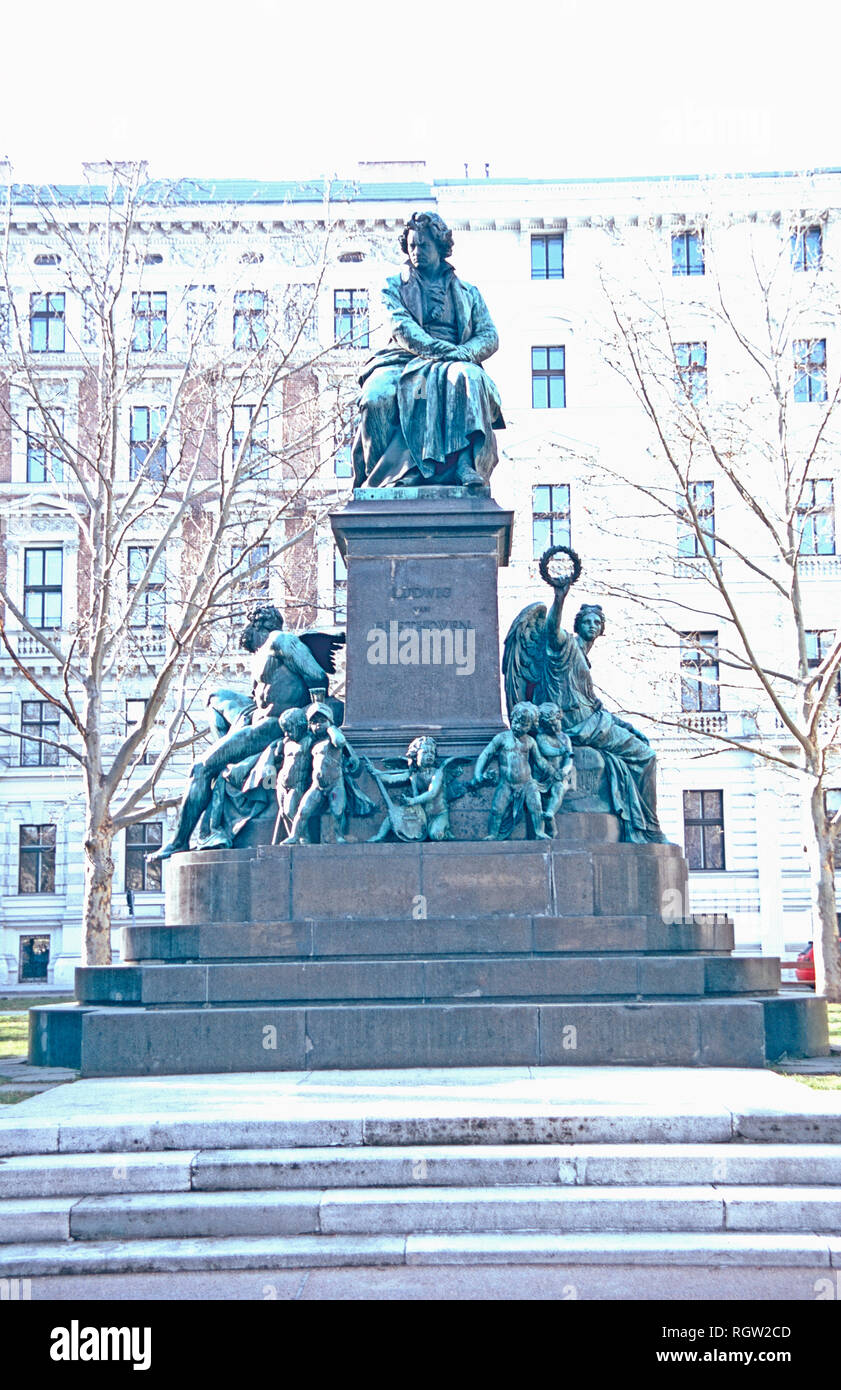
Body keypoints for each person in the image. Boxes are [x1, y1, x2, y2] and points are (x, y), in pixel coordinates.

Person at [151, 606, 344, 859]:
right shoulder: (260, 653)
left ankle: (179, 841)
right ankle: (229, 749)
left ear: (256, 625)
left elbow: (317, 676)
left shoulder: (280, 640)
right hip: (255, 717)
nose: (243, 634)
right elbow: (260, 696)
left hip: (273, 724)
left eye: (246, 626)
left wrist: (314, 720)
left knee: (201, 767)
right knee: (215, 697)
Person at [503, 565, 667, 844]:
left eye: (597, 623)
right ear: (577, 624)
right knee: (646, 757)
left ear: (602, 630)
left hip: (594, 720)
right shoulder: (564, 645)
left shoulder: (583, 657)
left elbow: (594, 704)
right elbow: (553, 629)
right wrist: (559, 597)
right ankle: (648, 828)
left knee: (641, 746)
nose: (592, 626)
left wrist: (623, 724)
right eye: (588, 621)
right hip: (577, 724)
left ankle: (642, 825)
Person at [351, 211, 504, 490]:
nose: (416, 252)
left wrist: (465, 353)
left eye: (424, 245)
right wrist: (446, 351)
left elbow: (489, 336)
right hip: (403, 358)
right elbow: (403, 330)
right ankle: (383, 479)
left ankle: (465, 464)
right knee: (377, 397)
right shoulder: (393, 286)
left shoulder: (468, 292)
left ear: (441, 247)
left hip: (456, 359)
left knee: (467, 378)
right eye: (411, 246)